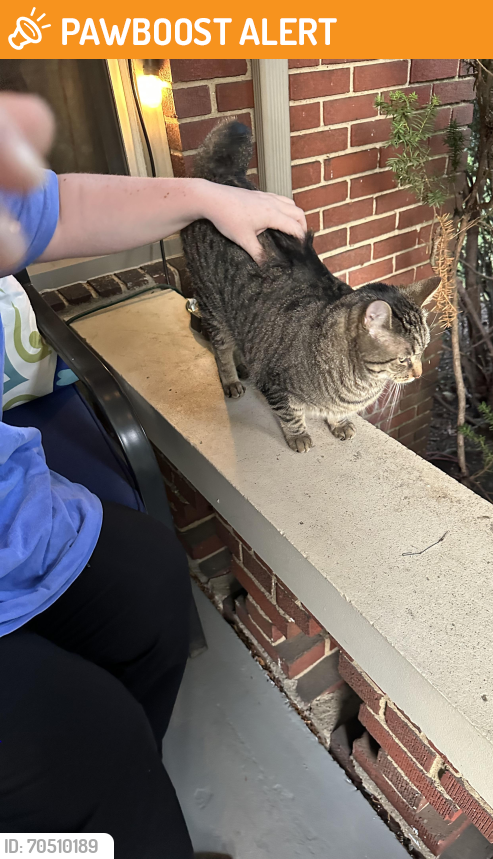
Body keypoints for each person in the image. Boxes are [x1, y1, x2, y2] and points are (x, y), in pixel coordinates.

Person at [0, 92, 307, 858]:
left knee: (153, 587)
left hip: (16, 517)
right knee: (92, 743)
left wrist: (207, 196)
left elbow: (45, 209)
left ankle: (106, 822)